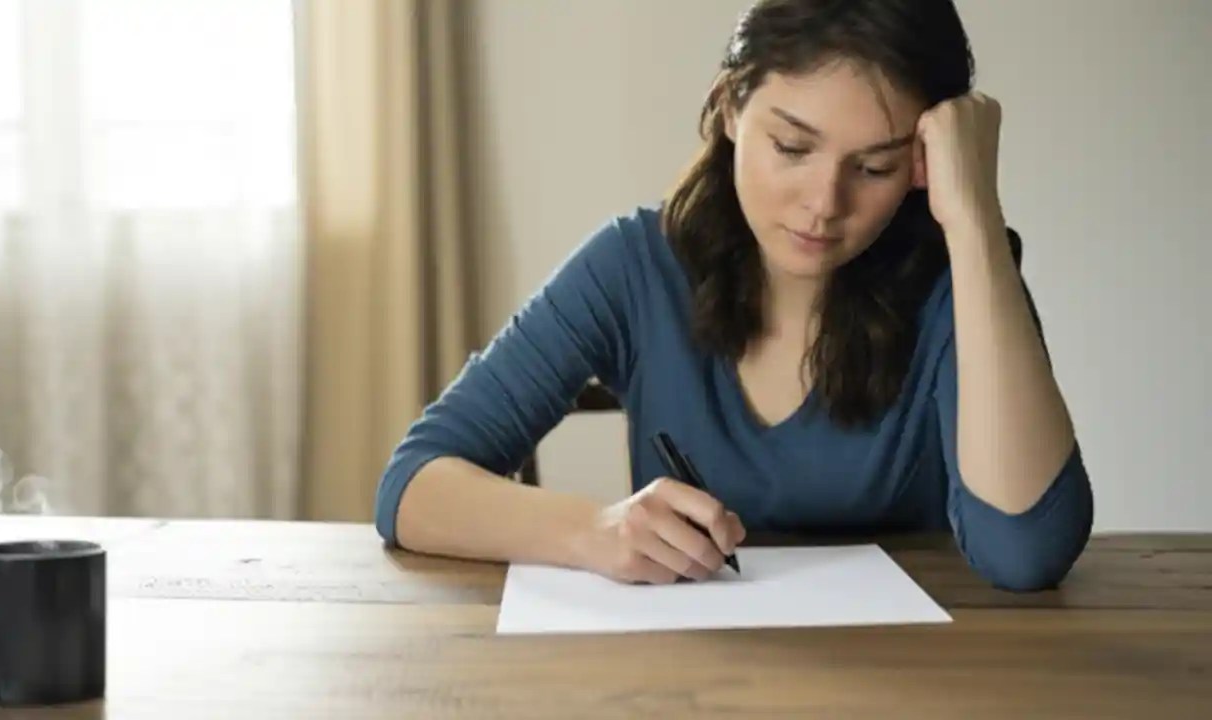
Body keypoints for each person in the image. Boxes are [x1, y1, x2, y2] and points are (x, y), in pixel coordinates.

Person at [374, 0, 1093, 592]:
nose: (823, 203)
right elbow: (412, 487)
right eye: (791, 148)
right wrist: (594, 531)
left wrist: (973, 219)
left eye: (873, 167)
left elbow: (1025, 553)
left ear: (921, 166)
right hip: (696, 683)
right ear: (728, 110)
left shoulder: (957, 284)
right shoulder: (635, 266)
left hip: (917, 681)